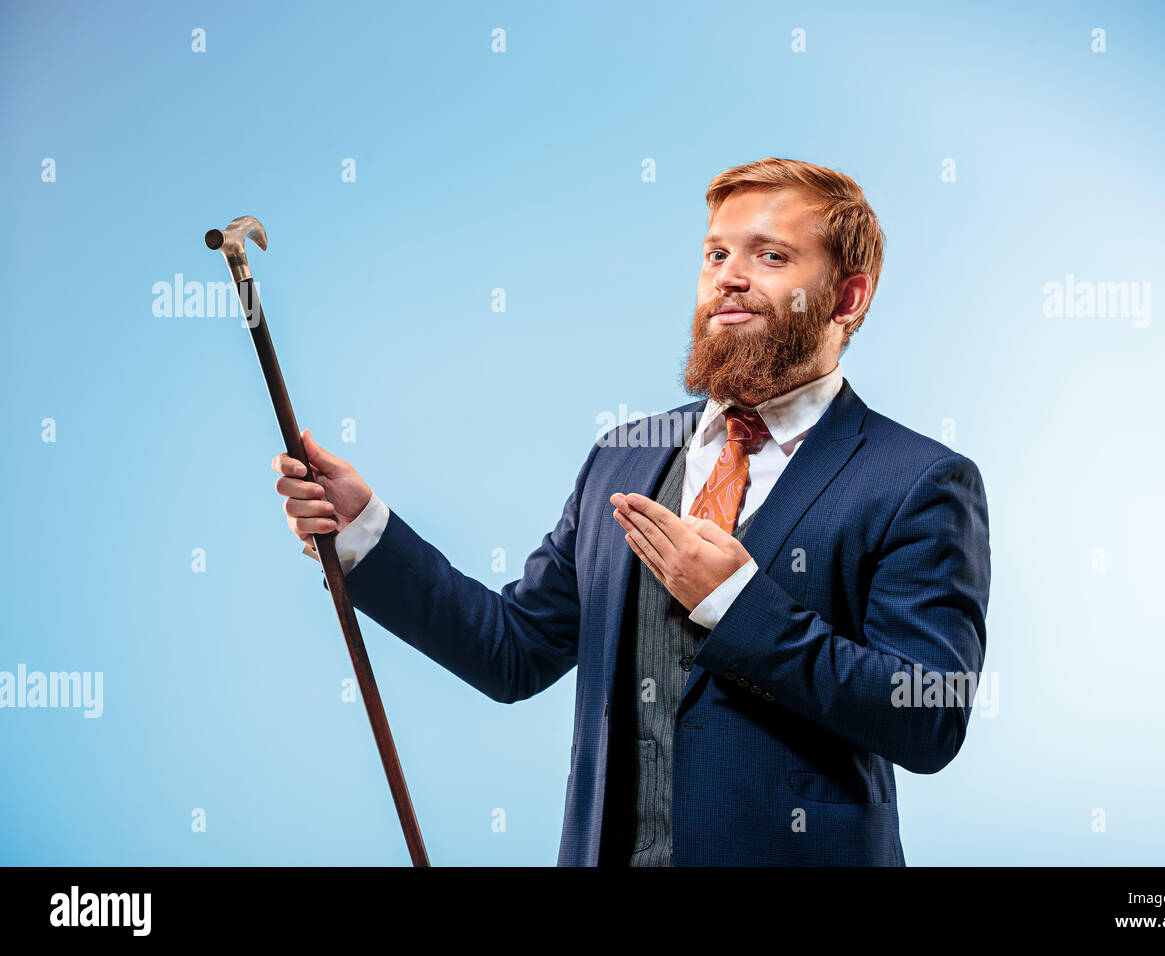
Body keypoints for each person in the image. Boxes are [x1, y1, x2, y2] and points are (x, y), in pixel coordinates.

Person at [272, 157, 991, 866]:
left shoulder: (917, 480)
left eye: (770, 255)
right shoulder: (623, 457)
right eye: (716, 253)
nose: (728, 276)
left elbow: (927, 716)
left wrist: (738, 605)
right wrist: (366, 531)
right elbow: (512, 651)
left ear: (847, 298)